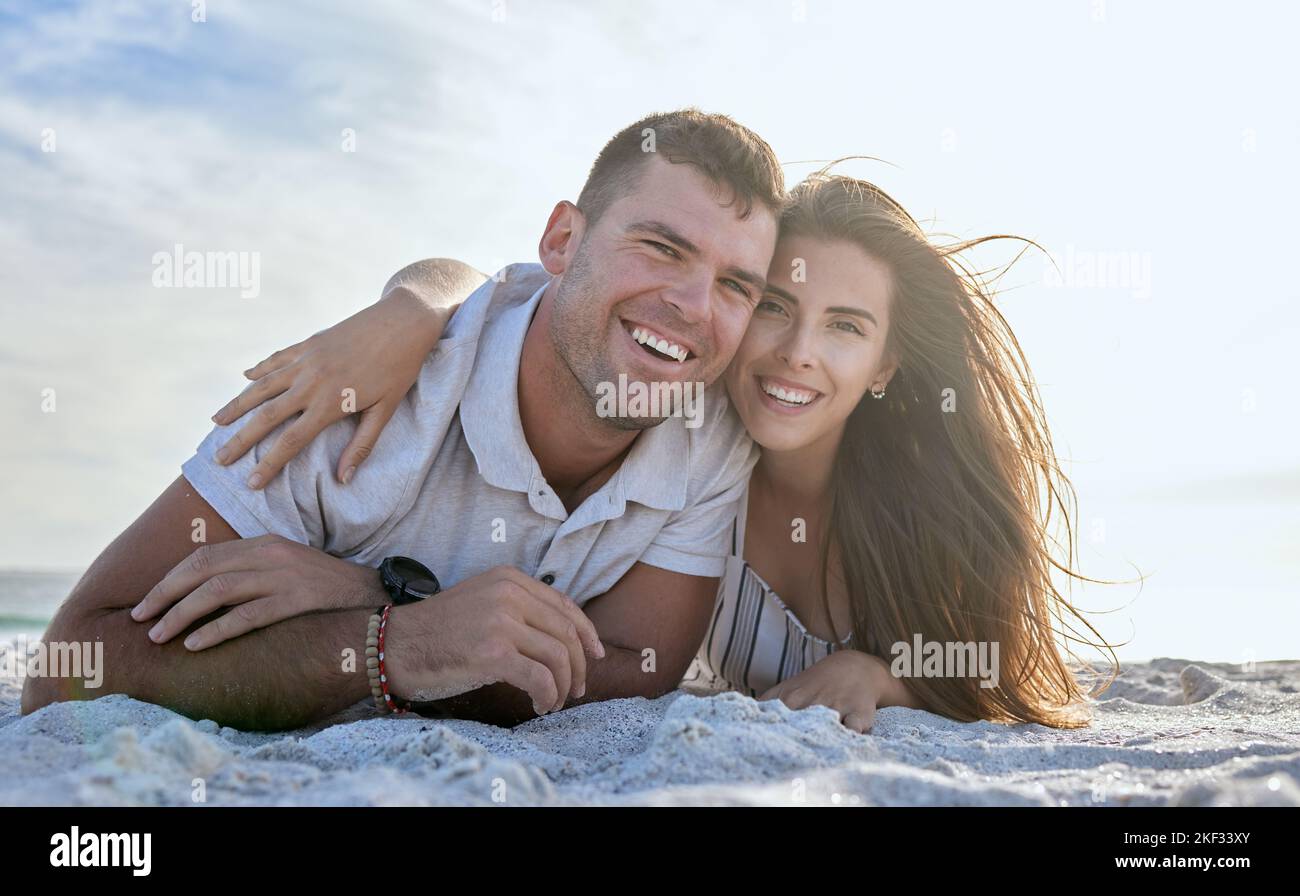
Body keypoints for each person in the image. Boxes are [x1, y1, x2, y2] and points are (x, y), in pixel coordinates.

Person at [200, 170, 1121, 733]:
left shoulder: (929, 499)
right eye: (770, 307)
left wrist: (885, 675)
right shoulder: (679, 446)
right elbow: (521, 294)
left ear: (883, 364)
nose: (797, 352)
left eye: (843, 328)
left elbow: (1000, 674)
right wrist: (414, 305)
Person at [21, 108, 787, 731]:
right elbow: (64, 673)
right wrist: (392, 650)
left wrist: (375, 598)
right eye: (660, 247)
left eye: (736, 286)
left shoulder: (709, 428)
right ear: (562, 241)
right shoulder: (348, 401)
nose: (693, 307)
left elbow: (637, 671)